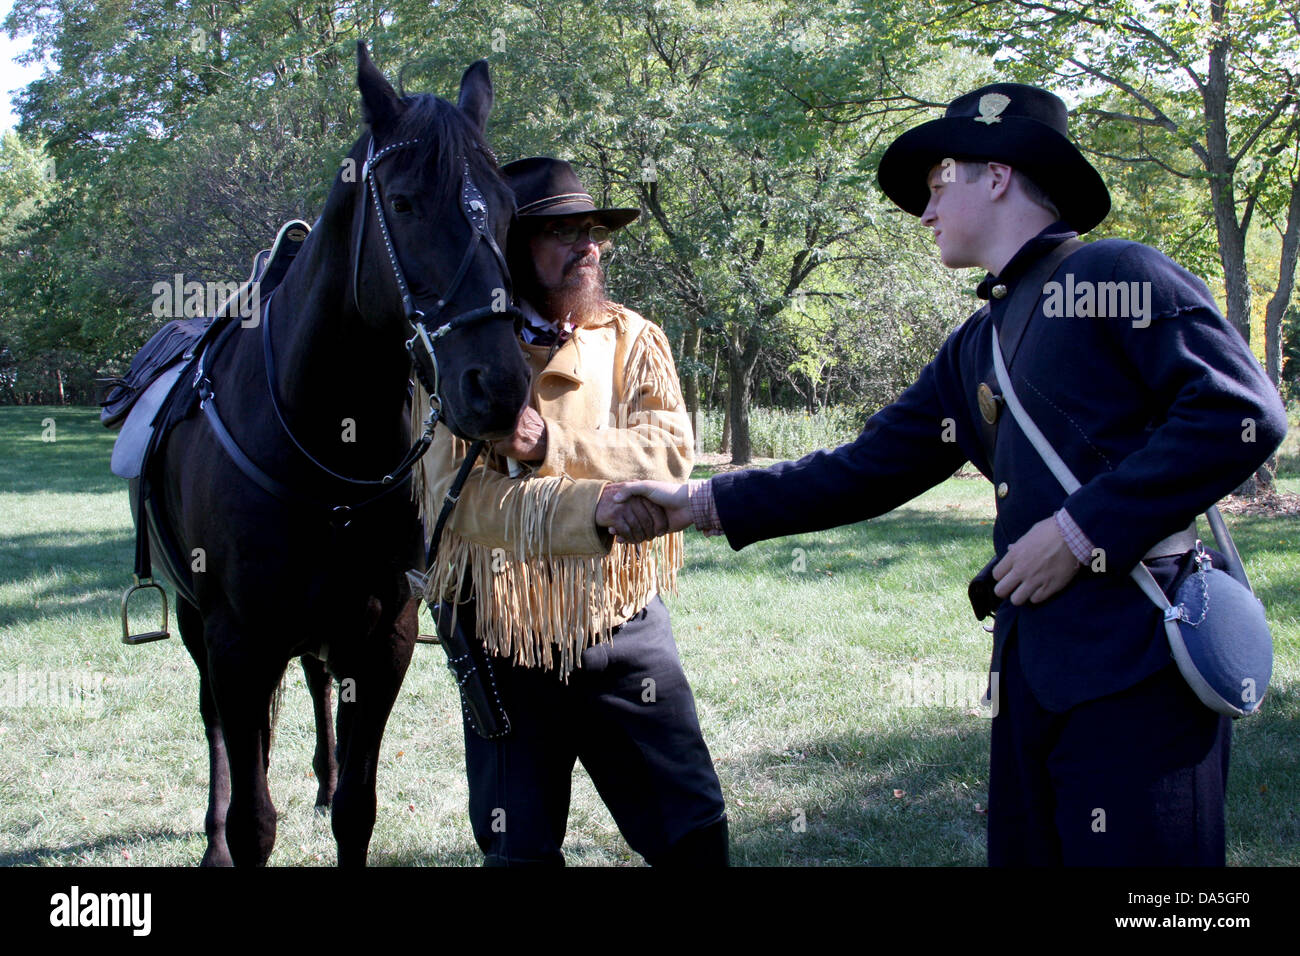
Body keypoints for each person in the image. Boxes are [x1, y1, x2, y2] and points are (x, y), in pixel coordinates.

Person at [611, 83, 1288, 865]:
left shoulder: (1116, 272)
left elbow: (1240, 411)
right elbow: (864, 468)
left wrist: (1079, 531)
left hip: (1138, 667)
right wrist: (695, 501)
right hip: (1031, 675)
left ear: (997, 174)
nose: (924, 212)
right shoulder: (975, 345)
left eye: (938, 184)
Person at [414, 156, 728, 866]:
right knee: (517, 849)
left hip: (624, 623)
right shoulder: (454, 361)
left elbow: (670, 454)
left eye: (591, 231)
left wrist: (549, 443)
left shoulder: (634, 338)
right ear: (510, 248)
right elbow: (455, 504)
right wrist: (596, 508)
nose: (586, 246)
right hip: (503, 636)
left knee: (694, 826)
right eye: (561, 232)